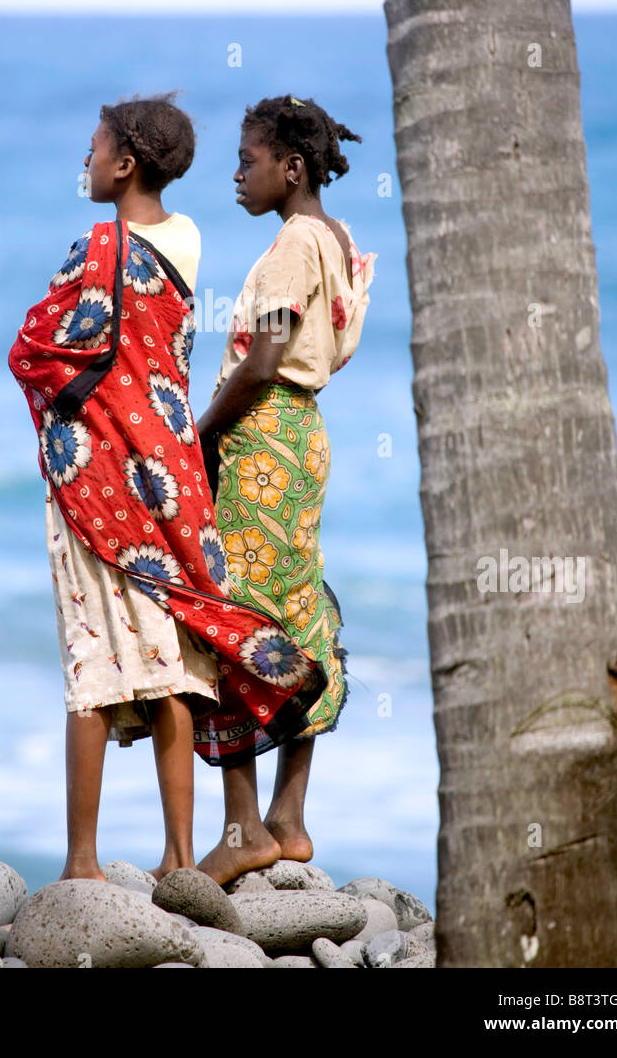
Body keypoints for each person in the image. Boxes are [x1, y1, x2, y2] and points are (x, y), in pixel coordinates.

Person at [7, 93, 325, 884]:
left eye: (94, 149)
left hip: (103, 480)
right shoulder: (185, 238)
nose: (84, 161)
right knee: (174, 666)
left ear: (124, 165)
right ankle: (182, 857)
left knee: (91, 666)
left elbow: (35, 349)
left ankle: (81, 864)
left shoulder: (100, 249)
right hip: (174, 472)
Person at [195, 94, 376, 886]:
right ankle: (289, 819)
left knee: (231, 619)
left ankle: (244, 831)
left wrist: (201, 432)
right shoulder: (338, 240)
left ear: (290, 167)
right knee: (295, 612)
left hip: (265, 432)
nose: (236, 173)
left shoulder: (294, 246)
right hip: (304, 436)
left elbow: (264, 360)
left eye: (247, 159)